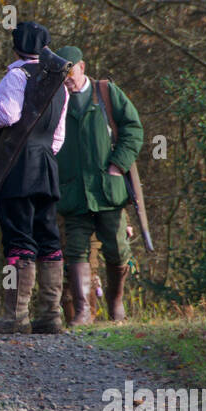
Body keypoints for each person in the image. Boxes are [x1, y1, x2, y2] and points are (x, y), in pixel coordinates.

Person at [0, 21, 68, 334]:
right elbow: (58, 135)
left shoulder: (15, 76)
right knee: (48, 239)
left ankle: (15, 317)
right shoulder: (59, 81)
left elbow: (7, 116)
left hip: (17, 168)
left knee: (18, 241)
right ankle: (50, 315)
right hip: (47, 167)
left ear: (15, 47)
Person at [55, 45, 143, 323]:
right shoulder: (56, 100)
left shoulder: (105, 93)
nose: (67, 79)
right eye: (63, 75)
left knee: (117, 248)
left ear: (83, 67)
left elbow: (133, 128)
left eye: (71, 72)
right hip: (73, 192)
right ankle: (82, 311)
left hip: (108, 190)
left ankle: (116, 304)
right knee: (75, 250)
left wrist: (119, 163)